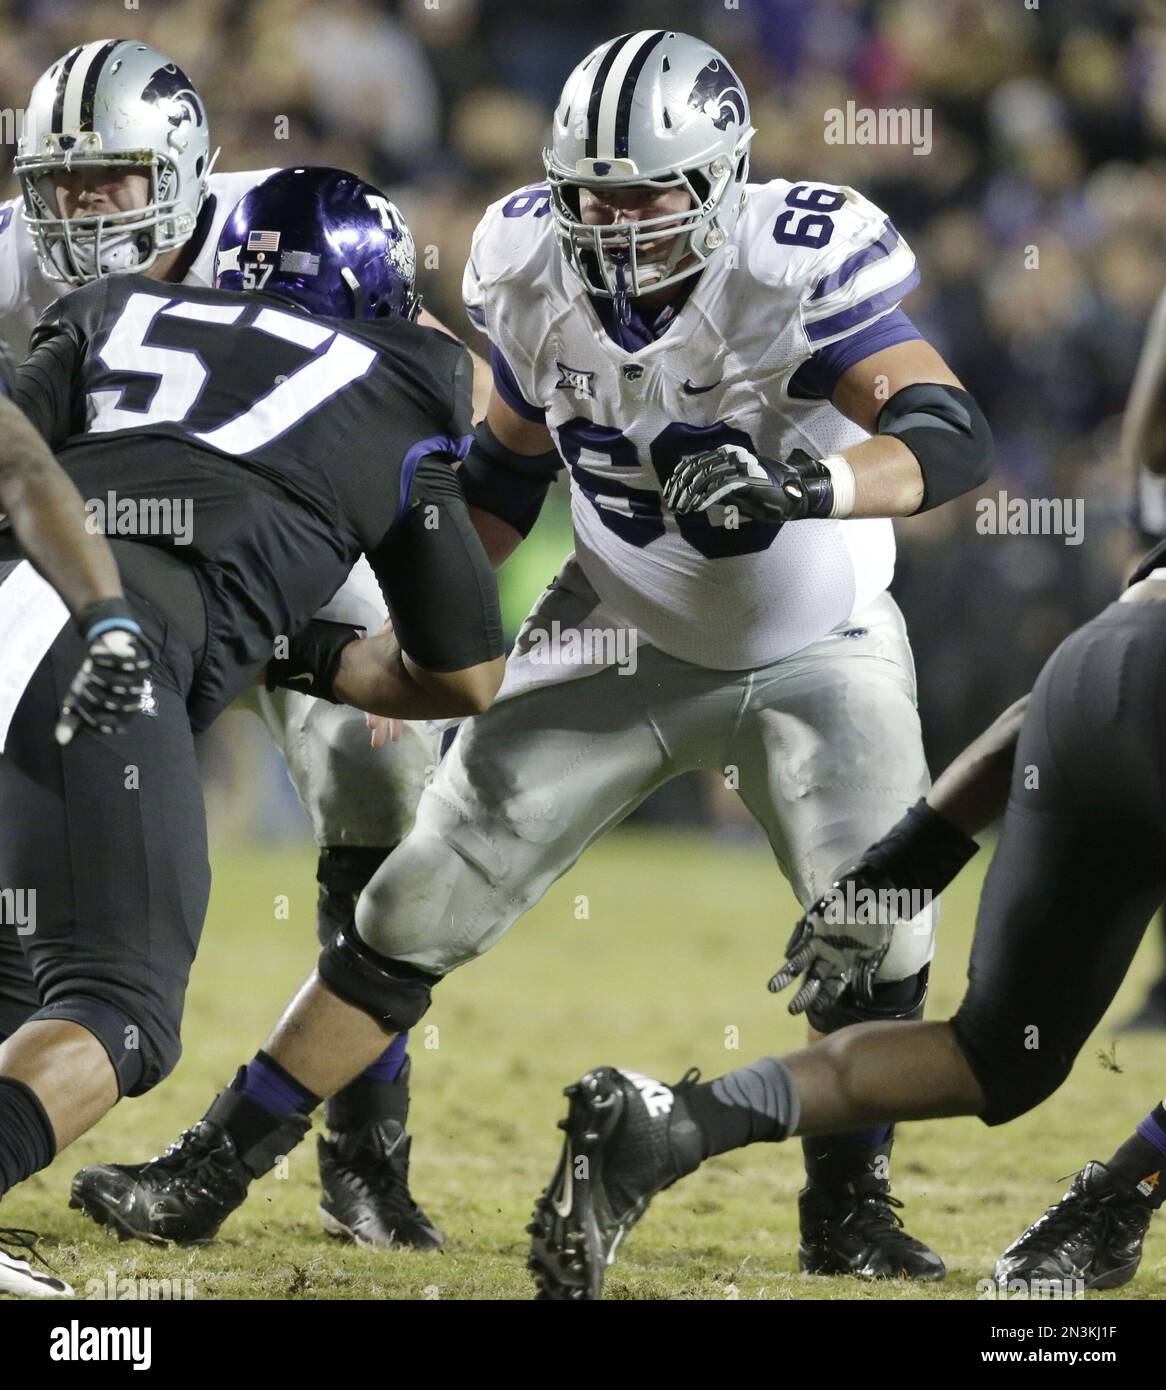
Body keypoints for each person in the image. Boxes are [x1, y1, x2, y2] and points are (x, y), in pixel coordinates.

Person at [71, 30, 994, 1283]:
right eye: (592, 193)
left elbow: (947, 430)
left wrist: (801, 481)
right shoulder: (521, 259)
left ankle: (848, 1210)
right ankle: (213, 1166)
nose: (613, 223)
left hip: (822, 644)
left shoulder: (792, 257)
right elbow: (503, 469)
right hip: (612, 626)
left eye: (644, 193)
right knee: (411, 901)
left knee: (879, 936)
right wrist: (393, 635)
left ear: (721, 177)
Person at [0, 37, 490, 1247]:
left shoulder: (270, 222)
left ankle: (364, 1147)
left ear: (182, 171)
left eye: (107, 179)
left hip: (226, 553)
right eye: (55, 181)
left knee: (375, 776)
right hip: (112, 581)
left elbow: (425, 344)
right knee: (108, 992)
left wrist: (296, 644)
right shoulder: (39, 264)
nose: (77, 207)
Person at [525, 534, 1166, 1298]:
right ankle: (1115, 1198)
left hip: (1089, 677)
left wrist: (895, 873)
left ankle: (668, 1126)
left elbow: (1049, 706)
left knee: (999, 1056)